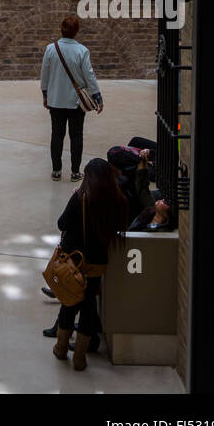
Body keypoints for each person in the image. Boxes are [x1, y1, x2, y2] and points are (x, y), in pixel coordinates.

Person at [52, 157, 128, 370]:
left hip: (74, 262)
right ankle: (80, 357)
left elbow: (62, 223)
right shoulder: (118, 201)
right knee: (88, 306)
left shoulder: (80, 198)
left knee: (69, 303)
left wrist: (74, 197)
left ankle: (61, 347)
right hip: (97, 264)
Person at [40, 16, 103, 181]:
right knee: (76, 136)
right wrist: (97, 96)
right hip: (76, 102)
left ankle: (56, 171)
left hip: (55, 100)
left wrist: (45, 94)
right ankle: (75, 172)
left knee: (57, 135)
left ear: (61, 29)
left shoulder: (50, 49)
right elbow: (89, 75)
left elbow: (44, 74)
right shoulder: (82, 51)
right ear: (76, 31)